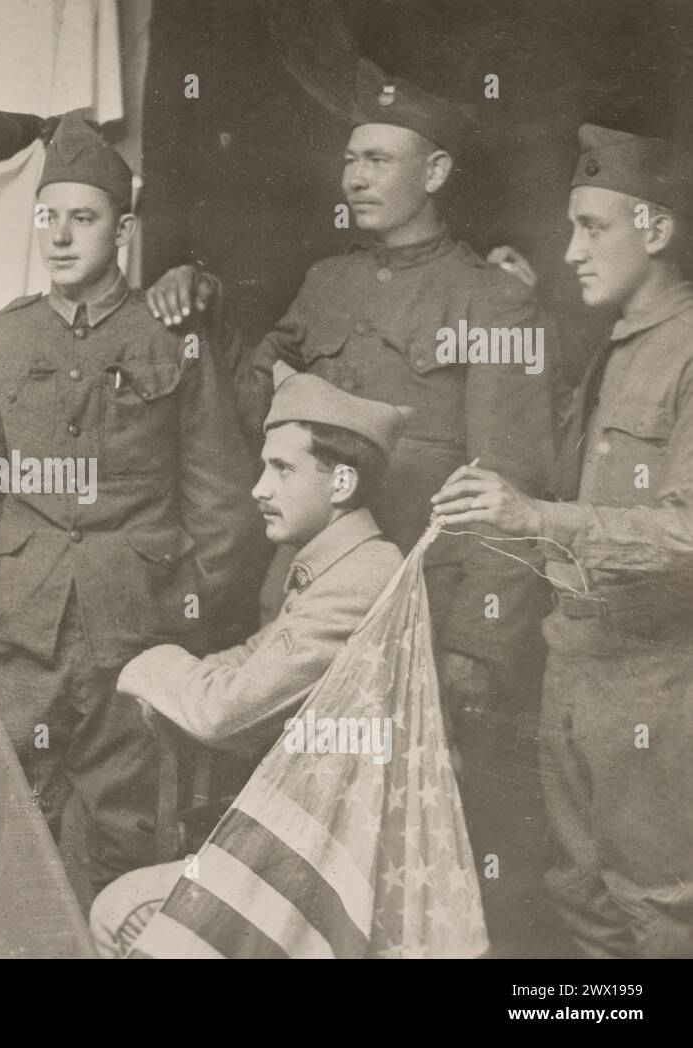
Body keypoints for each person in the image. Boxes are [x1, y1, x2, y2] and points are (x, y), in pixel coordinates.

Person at [141, 59, 557, 946]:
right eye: (350, 159)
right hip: (309, 620)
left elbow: (513, 496)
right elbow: (256, 416)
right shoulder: (327, 283)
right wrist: (203, 310)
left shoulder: (495, 299)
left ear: (436, 173)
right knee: (301, 868)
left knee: (418, 874)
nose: (355, 176)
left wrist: (477, 652)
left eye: (377, 159)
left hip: (428, 635)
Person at [0, 112, 256, 897]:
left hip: (136, 636)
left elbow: (222, 501)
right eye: (47, 217)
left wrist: (184, 616)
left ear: (122, 231)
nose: (59, 236)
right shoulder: (3, 335)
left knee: (125, 840)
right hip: (21, 628)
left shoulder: (171, 338)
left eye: (82, 218)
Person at [433, 123, 693, 958]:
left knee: (658, 908)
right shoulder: (612, 348)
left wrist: (535, 519)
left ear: (656, 230)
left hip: (657, 684)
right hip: (577, 667)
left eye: (593, 226)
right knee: (581, 899)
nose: (572, 248)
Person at [90, 363, 410, 956]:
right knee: (120, 906)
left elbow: (224, 711)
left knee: (124, 913)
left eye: (281, 469)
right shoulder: (336, 562)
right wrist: (200, 682)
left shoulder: (362, 577)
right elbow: (251, 661)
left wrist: (153, 665)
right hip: (313, 835)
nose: (259, 488)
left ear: (341, 484)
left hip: (337, 860)